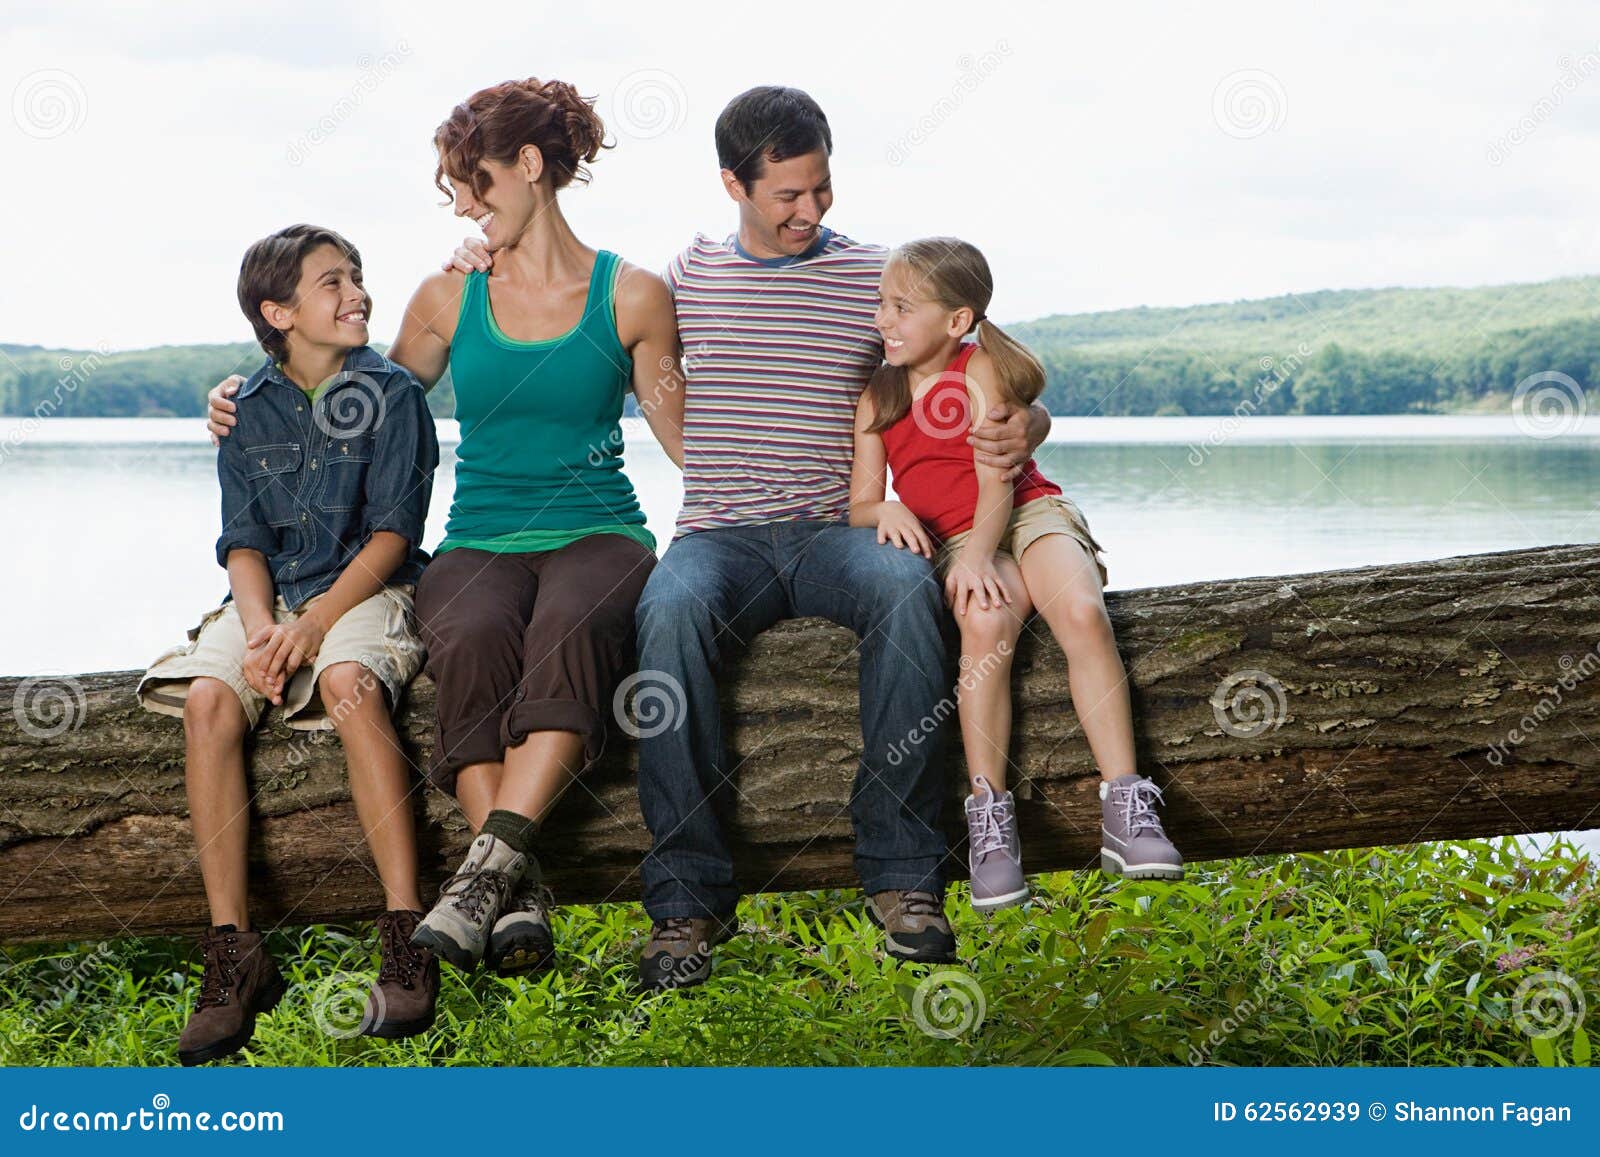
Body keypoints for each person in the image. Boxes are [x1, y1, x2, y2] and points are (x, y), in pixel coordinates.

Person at [440, 87, 1055, 988]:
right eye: (788, 196)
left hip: (833, 529)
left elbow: (988, 360)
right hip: (718, 535)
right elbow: (591, 326)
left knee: (904, 590)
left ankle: (903, 878)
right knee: (667, 612)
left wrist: (1029, 422)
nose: (810, 211)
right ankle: (687, 899)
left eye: (822, 190)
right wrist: (478, 257)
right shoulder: (683, 276)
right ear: (733, 183)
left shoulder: (874, 277)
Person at [207, 79, 684, 978]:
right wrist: (242, 393)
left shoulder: (633, 296)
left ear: (530, 169)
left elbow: (684, 438)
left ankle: (481, 875)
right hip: (480, 535)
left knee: (570, 629)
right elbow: (357, 411)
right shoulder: (445, 297)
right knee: (462, 635)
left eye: (474, 183)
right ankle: (518, 888)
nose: (462, 205)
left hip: (599, 530)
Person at [139, 224, 440, 1063]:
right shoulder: (245, 405)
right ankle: (233, 951)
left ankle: (406, 935)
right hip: (273, 595)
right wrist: (265, 624)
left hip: (367, 588)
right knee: (207, 700)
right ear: (279, 312)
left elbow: (391, 534)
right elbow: (243, 539)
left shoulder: (394, 395)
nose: (359, 295)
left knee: (349, 683)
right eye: (333, 283)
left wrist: (309, 629)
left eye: (358, 278)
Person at [849, 236, 1184, 914]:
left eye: (901, 307)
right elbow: (859, 501)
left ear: (957, 320)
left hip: (1026, 514)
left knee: (1082, 612)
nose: (883, 318)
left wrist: (978, 554)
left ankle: (1125, 802)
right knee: (985, 622)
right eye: (881, 304)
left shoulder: (980, 373)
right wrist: (886, 506)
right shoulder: (878, 398)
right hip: (953, 538)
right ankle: (990, 822)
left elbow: (998, 483)